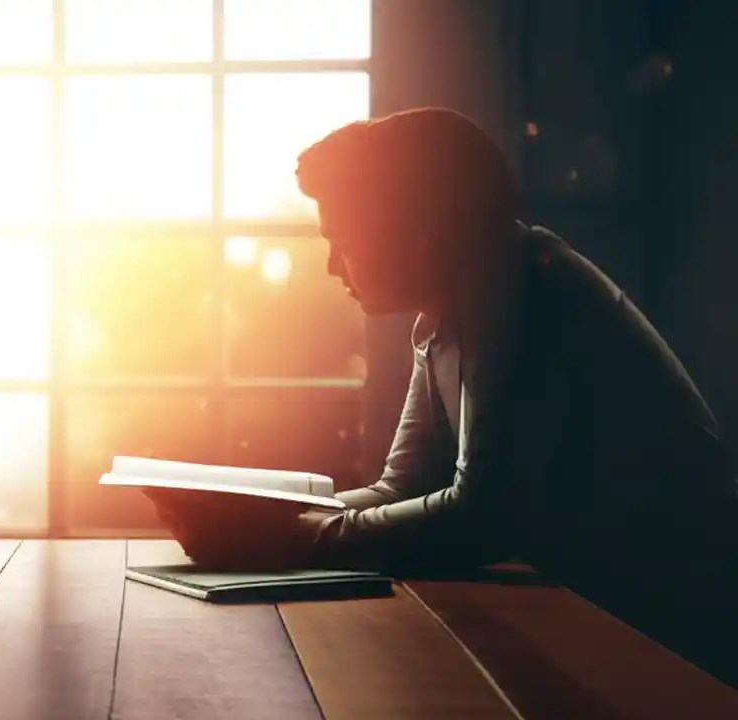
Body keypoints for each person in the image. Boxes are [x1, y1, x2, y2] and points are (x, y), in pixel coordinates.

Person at [150, 107, 738, 687]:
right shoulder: (454, 309)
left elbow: (482, 514)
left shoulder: (528, 293)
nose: (332, 266)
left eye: (342, 240)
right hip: (618, 618)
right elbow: (400, 490)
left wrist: (285, 537)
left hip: (682, 642)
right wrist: (269, 519)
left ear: (417, 234)